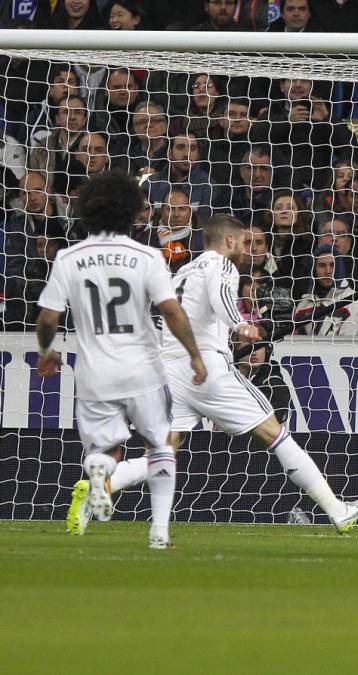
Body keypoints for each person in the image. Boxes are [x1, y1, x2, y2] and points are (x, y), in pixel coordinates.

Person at [83, 215, 358, 536]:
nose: (247, 250)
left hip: (171, 370)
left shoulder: (182, 272)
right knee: (276, 435)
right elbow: (221, 294)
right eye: (245, 243)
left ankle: (104, 484)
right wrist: (239, 323)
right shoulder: (221, 266)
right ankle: (337, 510)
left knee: (163, 451)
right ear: (229, 241)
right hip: (208, 369)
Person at [38, 171, 206, 549]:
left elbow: (48, 318)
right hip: (143, 368)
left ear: (86, 211)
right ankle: (159, 533)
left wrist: (47, 352)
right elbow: (172, 311)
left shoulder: (68, 257)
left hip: (94, 373)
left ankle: (102, 470)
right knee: (160, 445)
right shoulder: (147, 255)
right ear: (132, 210)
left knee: (107, 450)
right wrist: (195, 354)